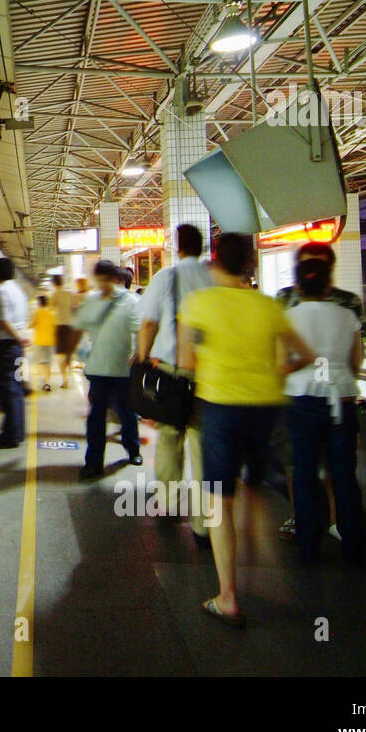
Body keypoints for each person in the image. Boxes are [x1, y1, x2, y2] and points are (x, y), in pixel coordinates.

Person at [178, 233, 315, 627]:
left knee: (219, 501)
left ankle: (229, 597)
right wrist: (273, 372)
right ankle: (263, 565)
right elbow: (303, 355)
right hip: (267, 408)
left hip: (220, 408)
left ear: (214, 261)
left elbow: (186, 361)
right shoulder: (267, 304)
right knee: (254, 488)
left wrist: (220, 363)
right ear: (249, 265)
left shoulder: (197, 303)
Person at [284, 258, 365, 564]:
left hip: (301, 401)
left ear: (299, 285)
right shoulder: (347, 316)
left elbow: (281, 361)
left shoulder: (289, 318)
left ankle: (308, 546)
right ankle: (353, 545)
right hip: (341, 401)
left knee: (304, 474)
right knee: (344, 475)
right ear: (329, 283)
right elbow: (355, 365)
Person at [136, 223, 212, 544]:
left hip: (172, 373)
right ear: (201, 246)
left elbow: (149, 321)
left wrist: (141, 357)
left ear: (177, 246)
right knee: (203, 446)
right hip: (210, 376)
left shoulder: (167, 277)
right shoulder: (214, 279)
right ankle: (204, 526)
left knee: (169, 438)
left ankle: (168, 506)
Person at [73, 260, 142, 478]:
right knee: (96, 418)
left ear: (113, 279)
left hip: (123, 370)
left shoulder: (130, 301)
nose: (101, 284)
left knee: (127, 414)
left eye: (104, 280)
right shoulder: (91, 301)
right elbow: (79, 327)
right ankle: (93, 463)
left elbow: (141, 330)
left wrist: (139, 355)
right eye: (98, 280)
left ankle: (133, 450)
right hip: (98, 370)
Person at [0, 257, 29, 447]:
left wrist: (18, 338)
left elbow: (4, 321)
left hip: (5, 346)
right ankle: (18, 432)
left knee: (9, 389)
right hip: (16, 346)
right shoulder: (18, 291)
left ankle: (10, 436)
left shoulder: (1, 292)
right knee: (17, 389)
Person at [49, 274, 76, 389]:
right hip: (71, 326)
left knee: (60, 354)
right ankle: (69, 373)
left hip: (59, 326)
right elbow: (75, 307)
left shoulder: (54, 294)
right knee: (69, 352)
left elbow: (50, 309)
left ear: (54, 283)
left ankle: (64, 379)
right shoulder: (70, 293)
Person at [31, 295, 56, 392]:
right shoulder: (52, 313)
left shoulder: (37, 312)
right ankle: (47, 382)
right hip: (50, 341)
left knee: (42, 363)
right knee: (48, 363)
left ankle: (45, 382)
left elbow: (32, 324)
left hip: (40, 341)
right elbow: (55, 327)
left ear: (39, 303)